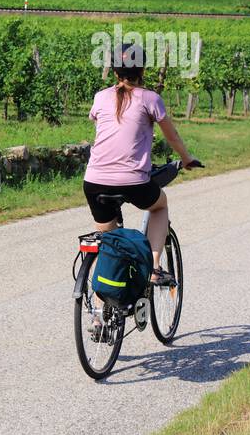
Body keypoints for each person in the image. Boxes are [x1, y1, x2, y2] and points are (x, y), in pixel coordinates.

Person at [83, 44, 199, 282]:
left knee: (110, 244)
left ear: (115, 72)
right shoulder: (150, 98)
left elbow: (102, 126)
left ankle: (98, 312)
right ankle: (155, 268)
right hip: (132, 180)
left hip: (94, 181)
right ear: (143, 69)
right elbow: (171, 136)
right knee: (159, 206)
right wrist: (187, 159)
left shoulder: (100, 97)